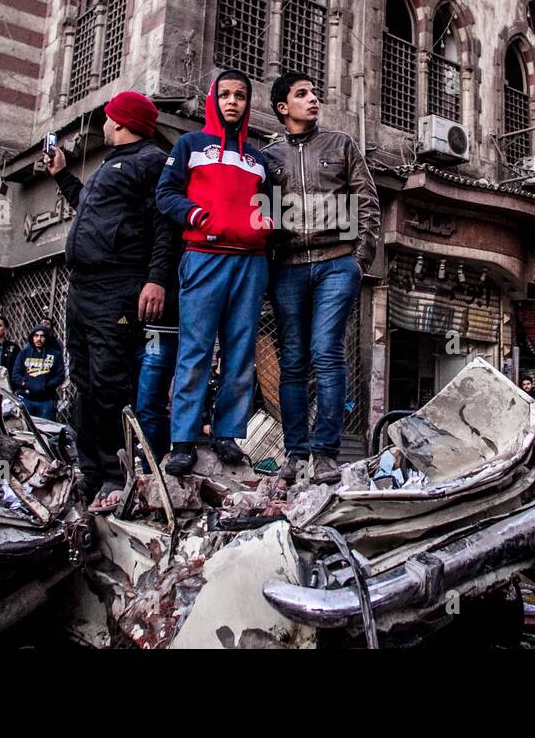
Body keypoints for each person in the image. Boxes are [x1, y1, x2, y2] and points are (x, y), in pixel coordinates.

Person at [45, 90, 179, 505]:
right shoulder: (112, 165)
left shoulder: (153, 162)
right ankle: (89, 471)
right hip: (82, 290)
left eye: (107, 118)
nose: (103, 125)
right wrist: (62, 176)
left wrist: (156, 279)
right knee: (84, 382)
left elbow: (166, 225)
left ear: (120, 123)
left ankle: (114, 474)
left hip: (118, 291)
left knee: (109, 382)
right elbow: (90, 208)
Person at [262, 71, 380, 486]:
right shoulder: (268, 157)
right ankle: (294, 454)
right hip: (287, 269)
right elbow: (261, 213)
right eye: (302, 94)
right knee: (293, 361)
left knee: (326, 354)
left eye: (315, 93)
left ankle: (325, 454)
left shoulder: (341, 145)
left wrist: (358, 259)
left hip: (336, 263)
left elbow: (367, 200)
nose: (314, 99)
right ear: (283, 107)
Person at [156, 70, 273, 476]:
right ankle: (184, 440)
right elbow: (165, 194)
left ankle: (227, 434)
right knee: (195, 351)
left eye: (240, 96)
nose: (232, 102)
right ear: (213, 99)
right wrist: (195, 214)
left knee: (240, 355)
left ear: (247, 103)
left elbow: (270, 206)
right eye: (224, 94)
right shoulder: (190, 144)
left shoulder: (259, 159)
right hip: (203, 256)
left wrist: (267, 226)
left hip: (250, 264)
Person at [11, 325, 66, 420]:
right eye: (36, 335)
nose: (39, 339)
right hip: (26, 398)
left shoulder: (55, 354)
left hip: (47, 400)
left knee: (45, 429)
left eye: (42, 336)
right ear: (32, 337)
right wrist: (25, 383)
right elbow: (16, 374)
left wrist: (46, 386)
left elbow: (60, 376)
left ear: (47, 338)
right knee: (25, 428)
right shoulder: (24, 353)